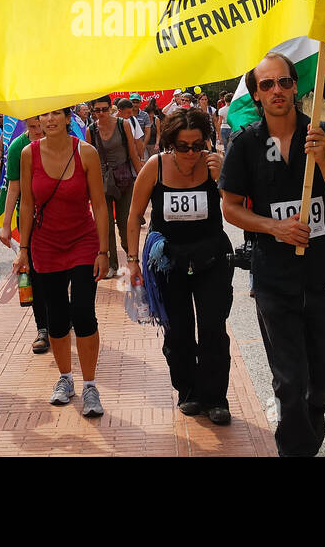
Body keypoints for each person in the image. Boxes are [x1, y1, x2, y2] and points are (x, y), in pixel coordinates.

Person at [219, 52, 325, 457]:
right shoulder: (246, 143)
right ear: (257, 96)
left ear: (296, 86)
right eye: (266, 85)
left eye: (283, 82)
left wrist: (324, 163)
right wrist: (274, 226)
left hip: (322, 274)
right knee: (290, 378)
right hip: (273, 278)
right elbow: (230, 207)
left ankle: (309, 422)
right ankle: (295, 449)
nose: (276, 90)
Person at [128, 108, 232, 424]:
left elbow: (236, 210)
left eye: (197, 145)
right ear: (171, 143)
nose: (190, 153)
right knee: (178, 330)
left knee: (213, 328)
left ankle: (216, 398)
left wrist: (222, 179)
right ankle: (189, 392)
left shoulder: (214, 165)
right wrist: (132, 261)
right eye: (183, 146)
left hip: (211, 257)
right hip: (168, 262)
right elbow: (134, 216)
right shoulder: (155, 166)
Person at [15, 108, 112, 417]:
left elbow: (99, 202)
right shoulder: (29, 154)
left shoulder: (86, 152)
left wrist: (104, 251)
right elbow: (27, 203)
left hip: (83, 242)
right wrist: (23, 249)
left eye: (56, 113)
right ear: (38, 120)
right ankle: (65, 379)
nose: (50, 119)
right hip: (45, 246)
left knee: (83, 312)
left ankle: (91, 385)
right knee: (56, 317)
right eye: (44, 115)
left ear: (68, 117)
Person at [0, 114, 52, 354]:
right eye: (32, 128)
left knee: (61, 273)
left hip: (58, 217)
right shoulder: (18, 147)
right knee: (36, 274)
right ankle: (43, 328)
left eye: (42, 127)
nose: (38, 133)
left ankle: (63, 311)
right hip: (29, 219)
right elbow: (14, 185)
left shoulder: (61, 143)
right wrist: (6, 223)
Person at [86, 94, 139, 278]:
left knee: (126, 224)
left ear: (111, 108)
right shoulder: (91, 130)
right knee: (105, 224)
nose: (101, 113)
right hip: (101, 181)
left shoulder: (122, 124)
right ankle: (111, 263)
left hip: (124, 179)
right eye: (97, 110)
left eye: (104, 109)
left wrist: (141, 177)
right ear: (93, 111)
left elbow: (132, 152)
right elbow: (89, 159)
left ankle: (132, 257)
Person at [116, 97, 147, 169]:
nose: (131, 114)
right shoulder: (112, 123)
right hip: (118, 163)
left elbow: (138, 141)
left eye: (131, 111)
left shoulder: (132, 120)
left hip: (132, 160)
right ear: (119, 111)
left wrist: (142, 159)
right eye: (128, 112)